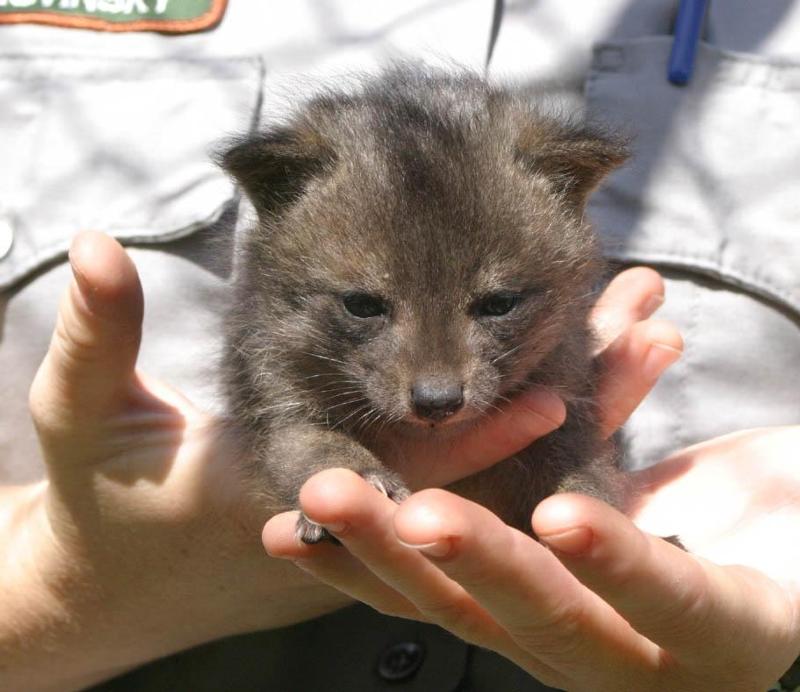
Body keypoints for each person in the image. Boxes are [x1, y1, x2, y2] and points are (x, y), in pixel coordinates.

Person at [1, 2, 799, 690]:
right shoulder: (300, 209)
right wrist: (66, 578)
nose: (437, 387)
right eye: (362, 306)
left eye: (495, 306)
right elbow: (292, 428)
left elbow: (572, 458)